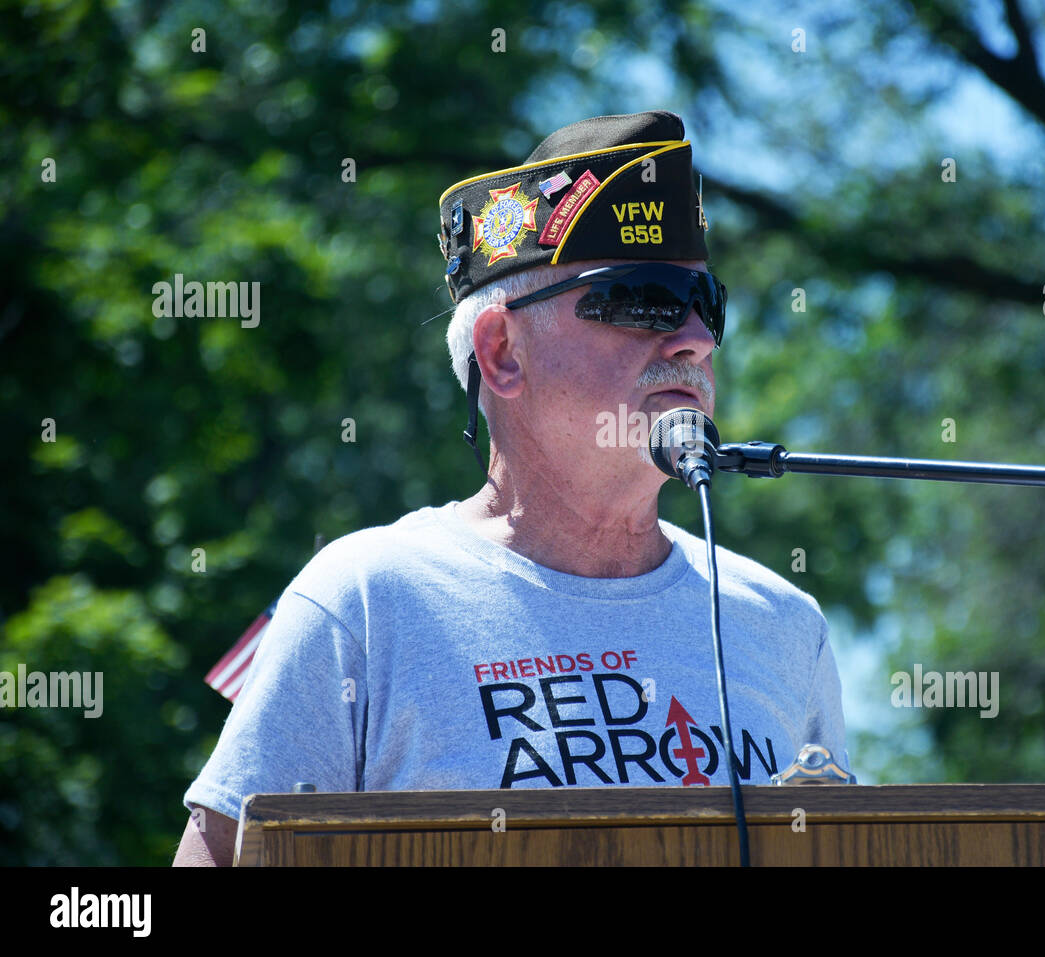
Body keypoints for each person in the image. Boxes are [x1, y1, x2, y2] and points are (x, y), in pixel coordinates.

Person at [174, 110, 849, 866]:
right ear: (502, 353)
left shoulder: (784, 624)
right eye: (646, 297)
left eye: (707, 304)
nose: (693, 337)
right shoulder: (365, 600)